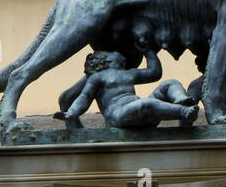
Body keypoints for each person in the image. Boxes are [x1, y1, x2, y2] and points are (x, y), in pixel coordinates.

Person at [57, 46, 198, 128]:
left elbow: (154, 73)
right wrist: (72, 112)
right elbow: (84, 97)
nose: (117, 51)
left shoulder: (128, 73)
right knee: (147, 103)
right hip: (118, 115)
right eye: (112, 51)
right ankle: (184, 112)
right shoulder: (97, 77)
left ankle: (181, 99)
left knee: (170, 83)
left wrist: (148, 51)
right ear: (104, 60)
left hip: (139, 112)